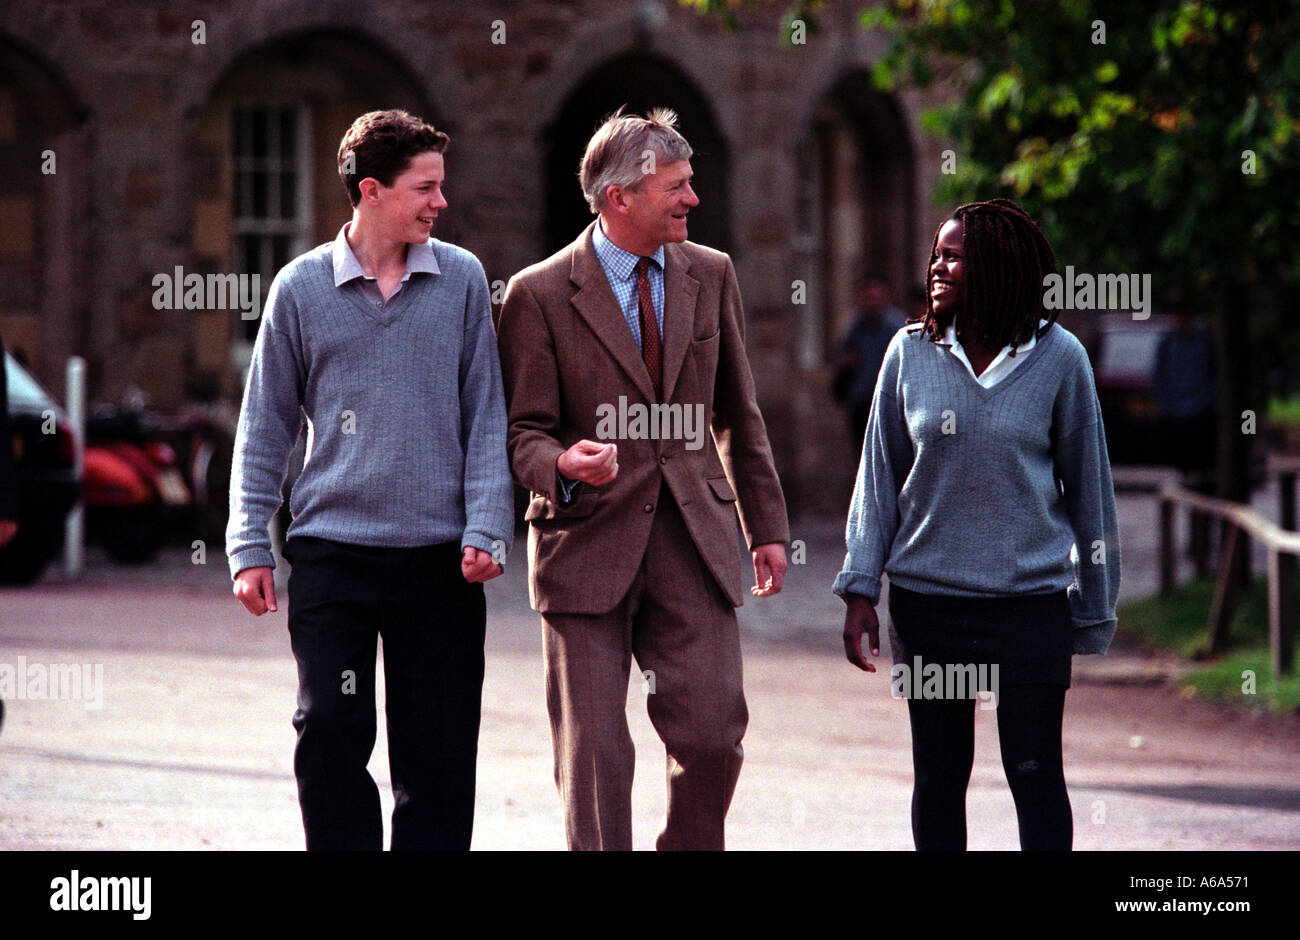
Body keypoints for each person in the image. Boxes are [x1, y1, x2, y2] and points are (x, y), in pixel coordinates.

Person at [497, 107, 789, 851]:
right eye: (677, 186)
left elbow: (738, 414)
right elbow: (521, 431)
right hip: (584, 542)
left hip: (696, 538)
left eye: (691, 183)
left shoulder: (712, 273)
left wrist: (769, 530)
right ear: (618, 196)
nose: (693, 199)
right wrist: (560, 464)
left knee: (716, 732)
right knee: (595, 756)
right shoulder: (535, 294)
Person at [226, 109, 513, 851]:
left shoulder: (462, 282)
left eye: (441, 188)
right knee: (329, 727)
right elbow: (265, 426)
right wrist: (249, 544)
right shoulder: (299, 289)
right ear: (372, 191)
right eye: (425, 189)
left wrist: (487, 525)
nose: (440, 203)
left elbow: (486, 414)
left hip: (440, 559)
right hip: (331, 552)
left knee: (439, 750)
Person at [833, 198, 1120, 851]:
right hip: (929, 601)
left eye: (953, 255)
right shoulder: (909, 354)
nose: (936, 266)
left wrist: (1094, 605)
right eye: (936, 253)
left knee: (1036, 771)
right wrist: (859, 588)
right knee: (939, 776)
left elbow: (1091, 491)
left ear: (994, 265)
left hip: (1029, 604)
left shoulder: (1059, 357)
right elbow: (877, 484)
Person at [831, 277, 906, 452]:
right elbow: (843, 356)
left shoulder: (897, 327)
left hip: (890, 404)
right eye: (868, 298)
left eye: (876, 298)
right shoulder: (856, 327)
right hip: (862, 403)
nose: (872, 303)